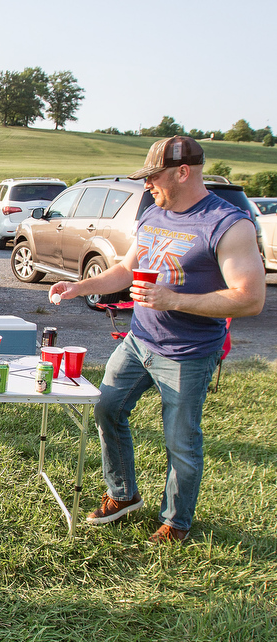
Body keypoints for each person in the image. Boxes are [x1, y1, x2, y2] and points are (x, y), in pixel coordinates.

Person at [48, 136, 265, 543]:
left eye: (154, 177)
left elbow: (250, 299)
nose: (148, 185)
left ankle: (176, 523)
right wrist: (80, 286)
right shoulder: (152, 214)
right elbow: (127, 269)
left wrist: (173, 299)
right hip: (139, 340)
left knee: (180, 440)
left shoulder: (228, 223)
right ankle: (123, 494)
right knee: (106, 410)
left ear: (183, 172)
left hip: (189, 352)